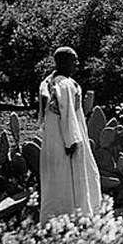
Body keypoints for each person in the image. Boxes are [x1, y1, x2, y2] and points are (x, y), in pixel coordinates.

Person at [37, 46, 103, 222]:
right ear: (64, 62)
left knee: (56, 179)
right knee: (72, 177)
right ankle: (75, 216)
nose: (77, 64)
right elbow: (68, 114)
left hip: (52, 138)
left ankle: (53, 218)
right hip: (67, 137)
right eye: (74, 60)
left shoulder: (50, 82)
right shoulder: (65, 84)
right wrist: (71, 140)